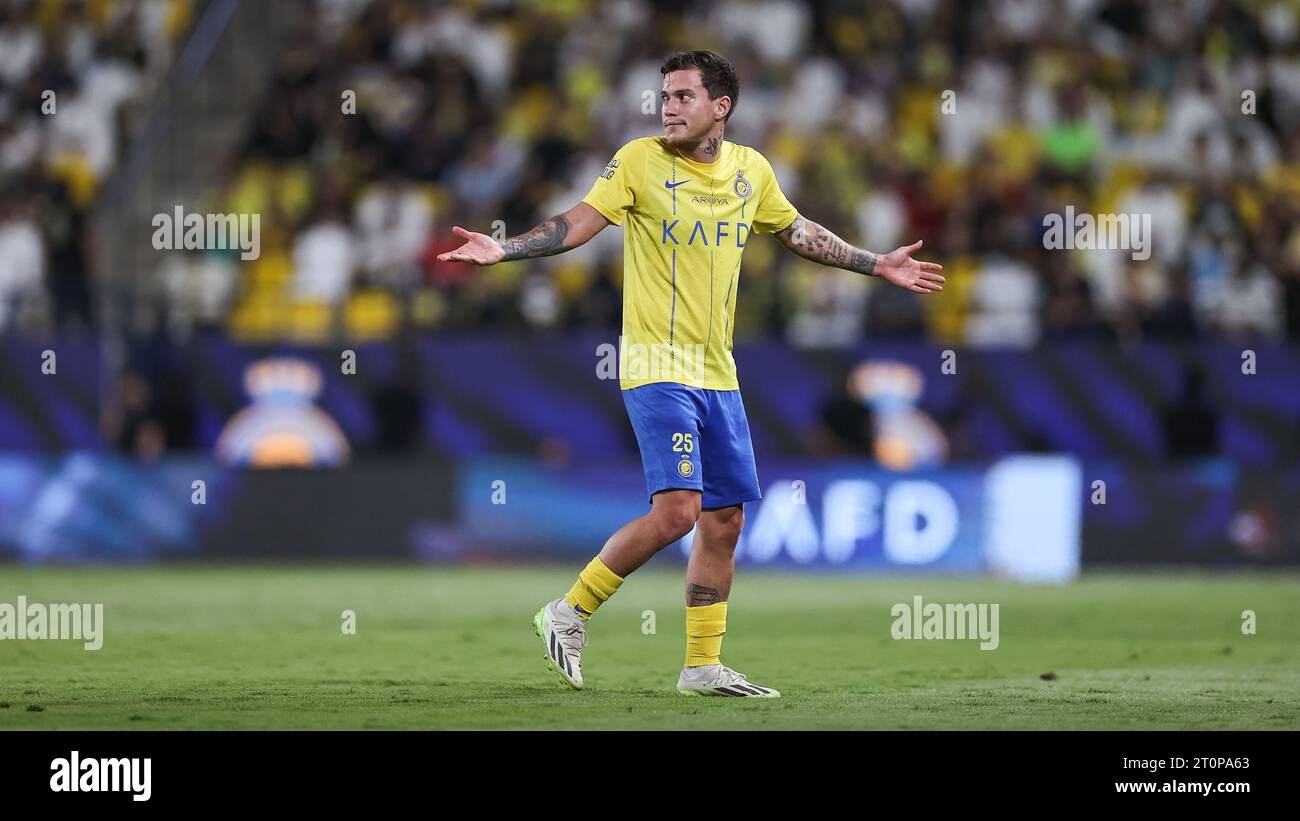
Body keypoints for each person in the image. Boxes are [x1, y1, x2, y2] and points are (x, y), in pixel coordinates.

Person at [438, 50, 944, 697]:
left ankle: (702, 665)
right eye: (665, 96)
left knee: (724, 520)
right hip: (655, 366)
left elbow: (796, 231)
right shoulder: (638, 162)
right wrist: (505, 247)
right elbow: (576, 224)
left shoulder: (751, 171)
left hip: (718, 374)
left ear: (720, 107)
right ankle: (567, 612)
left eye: (682, 97)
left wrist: (877, 264)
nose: (667, 108)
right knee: (679, 511)